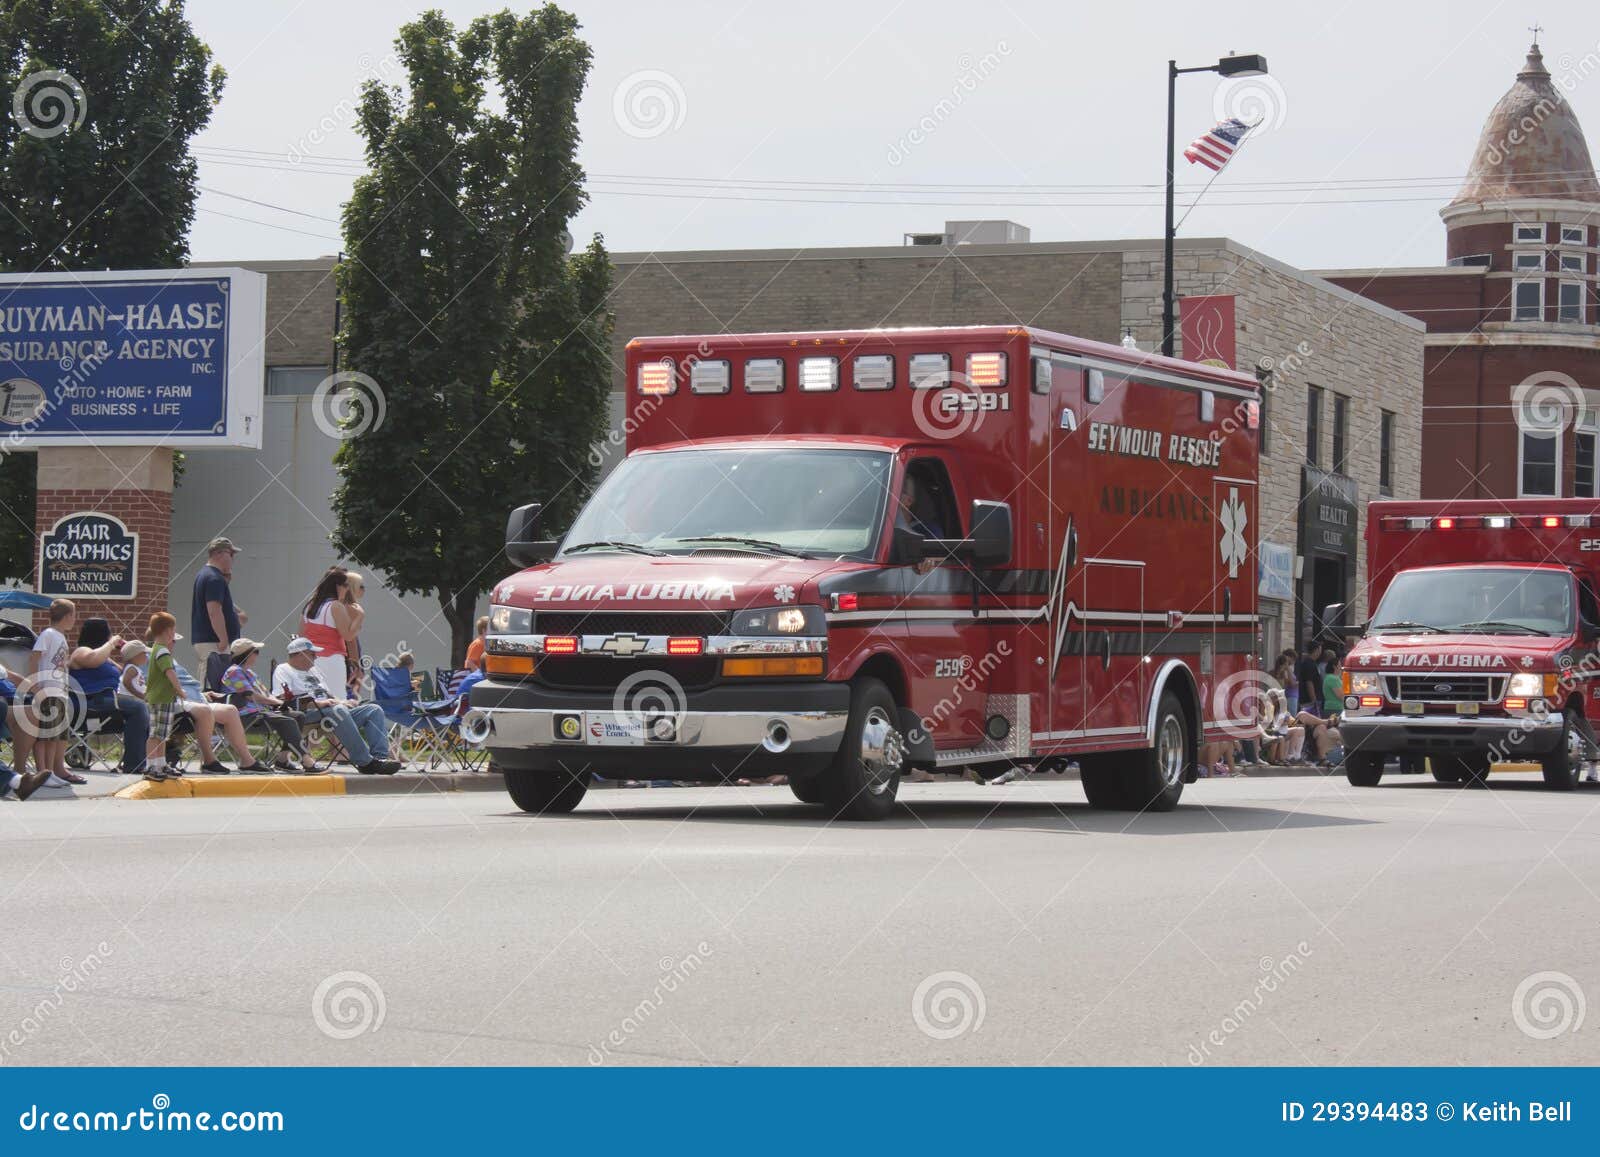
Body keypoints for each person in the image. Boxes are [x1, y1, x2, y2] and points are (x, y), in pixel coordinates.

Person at [273, 637, 399, 774]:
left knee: (373, 710)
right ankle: (365, 762)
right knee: (338, 710)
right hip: (306, 715)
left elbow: (327, 695)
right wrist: (318, 704)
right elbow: (283, 699)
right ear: (300, 654)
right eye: (312, 654)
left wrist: (343, 702)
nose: (316, 657)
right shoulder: (283, 670)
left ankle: (380, 758)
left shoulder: (313, 671)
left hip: (331, 713)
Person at [68, 617, 149, 777]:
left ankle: (143, 760)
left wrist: (129, 650)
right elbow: (93, 660)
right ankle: (134, 765)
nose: (111, 637)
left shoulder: (105, 657)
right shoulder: (81, 651)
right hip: (90, 702)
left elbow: (123, 672)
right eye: (109, 633)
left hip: (108, 702)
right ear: (102, 634)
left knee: (145, 707)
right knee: (138, 707)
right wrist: (111, 643)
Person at [220, 638, 308, 772]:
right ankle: (307, 760)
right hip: (245, 715)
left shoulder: (251, 673)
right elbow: (251, 696)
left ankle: (283, 760)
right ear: (247, 654)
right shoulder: (234, 671)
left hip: (261, 713)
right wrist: (276, 702)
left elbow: (266, 695)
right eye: (256, 652)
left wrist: (281, 703)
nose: (257, 655)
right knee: (288, 721)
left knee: (298, 716)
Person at [18, 598, 79, 789]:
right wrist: (36, 687)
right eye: (74, 615)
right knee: (45, 736)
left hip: (59, 691)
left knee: (55, 736)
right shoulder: (48, 634)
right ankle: (42, 772)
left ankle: (50, 772)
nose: (75, 619)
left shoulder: (60, 636)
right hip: (47, 692)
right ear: (67, 616)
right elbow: (34, 659)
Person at [301, 567, 362, 694]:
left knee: (316, 699)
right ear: (337, 586)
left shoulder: (310, 604)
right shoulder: (336, 605)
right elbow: (349, 637)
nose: (347, 589)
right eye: (346, 585)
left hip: (310, 660)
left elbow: (301, 634)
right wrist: (359, 616)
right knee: (337, 699)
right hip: (332, 660)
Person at [191, 536, 244, 669]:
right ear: (219, 553)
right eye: (231, 554)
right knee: (212, 679)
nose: (233, 559)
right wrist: (223, 640)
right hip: (213, 643)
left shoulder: (207, 575)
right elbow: (214, 611)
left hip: (211, 642)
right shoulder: (214, 578)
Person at [896, 473, 945, 576]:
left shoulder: (929, 530)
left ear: (909, 500)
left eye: (898, 490)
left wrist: (929, 559)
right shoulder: (882, 529)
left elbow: (945, 555)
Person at [343, 570, 368, 698]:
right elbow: (350, 639)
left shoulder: (343, 606)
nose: (364, 589)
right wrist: (356, 665)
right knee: (352, 692)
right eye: (361, 586)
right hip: (349, 655)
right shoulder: (351, 608)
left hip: (347, 654)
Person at [1295, 641, 1323, 718]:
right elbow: (1309, 682)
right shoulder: (1309, 664)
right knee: (1312, 720)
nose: (1320, 652)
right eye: (1320, 649)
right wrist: (1314, 700)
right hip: (1309, 700)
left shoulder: (1311, 663)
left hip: (1310, 699)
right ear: (1316, 650)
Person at [1322, 651, 1345, 716]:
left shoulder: (1330, 677)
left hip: (1332, 707)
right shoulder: (1333, 678)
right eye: (1339, 665)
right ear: (1334, 666)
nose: (1341, 667)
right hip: (1335, 708)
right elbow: (1340, 695)